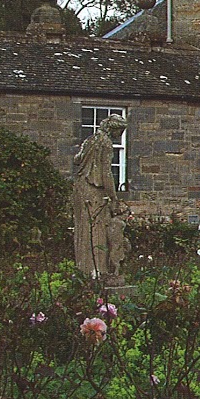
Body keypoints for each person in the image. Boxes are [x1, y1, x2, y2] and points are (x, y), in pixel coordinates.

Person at [72, 114, 128, 280]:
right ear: (114, 129)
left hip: (80, 187)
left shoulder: (90, 140)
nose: (121, 135)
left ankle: (83, 270)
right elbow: (106, 173)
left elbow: (77, 159)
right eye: (120, 131)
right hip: (95, 190)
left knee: (82, 228)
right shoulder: (106, 143)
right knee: (97, 229)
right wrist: (114, 198)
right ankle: (97, 271)